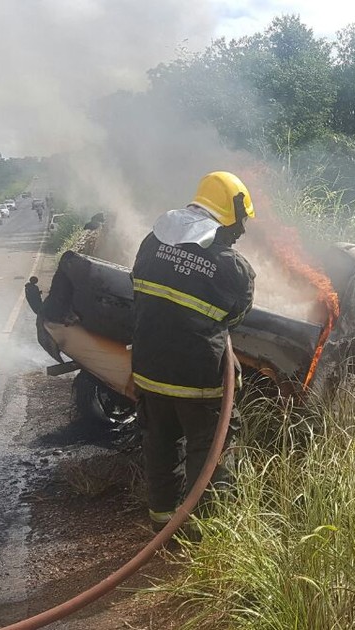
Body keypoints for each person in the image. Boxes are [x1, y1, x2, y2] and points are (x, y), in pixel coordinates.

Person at [130, 171, 255, 531]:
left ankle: (162, 522)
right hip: (198, 381)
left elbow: (138, 292)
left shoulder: (151, 244)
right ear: (227, 215)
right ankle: (204, 531)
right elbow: (236, 317)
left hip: (150, 371)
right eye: (241, 220)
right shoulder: (235, 269)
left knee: (161, 446)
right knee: (209, 452)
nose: (242, 231)